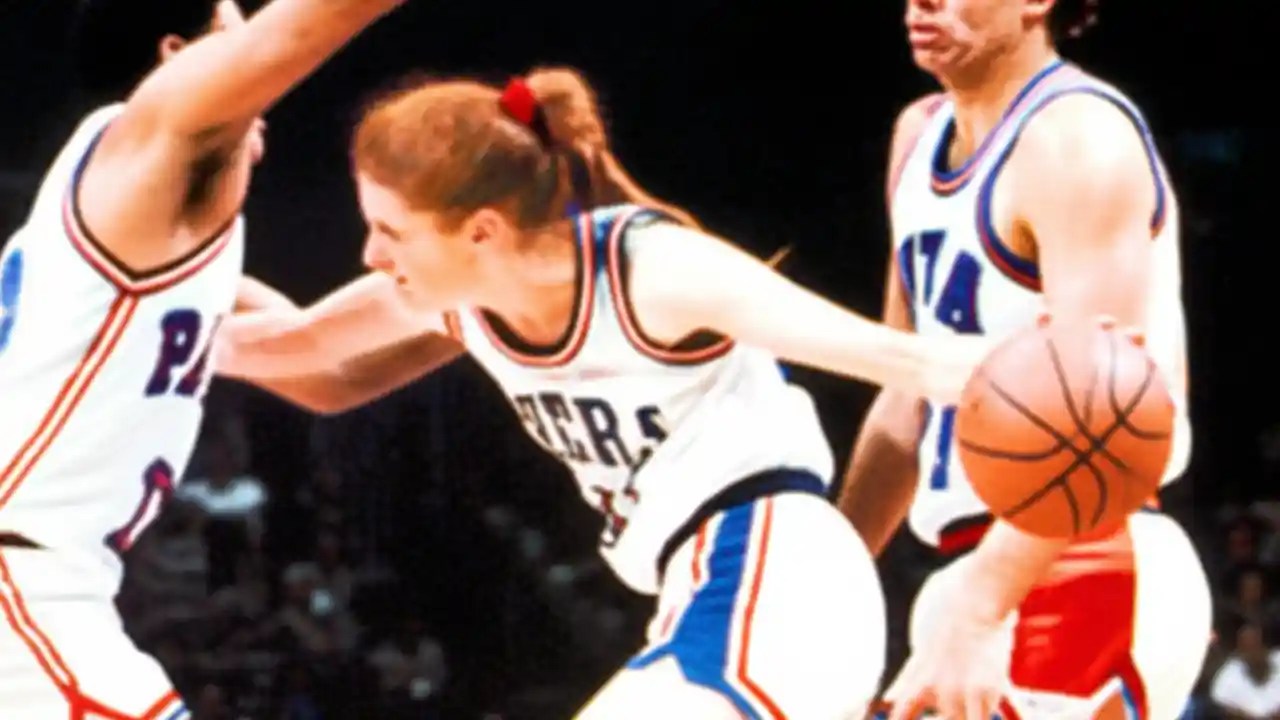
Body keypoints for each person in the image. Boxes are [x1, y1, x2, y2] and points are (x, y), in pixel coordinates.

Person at [213, 68, 994, 718]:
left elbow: (904, 361)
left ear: (481, 231)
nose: (371, 254)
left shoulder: (654, 272)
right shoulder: (458, 300)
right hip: (705, 597)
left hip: (776, 580)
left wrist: (1052, 357)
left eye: (391, 230)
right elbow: (294, 344)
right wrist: (147, 294)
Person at [0, 0, 404, 715]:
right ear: (177, 57)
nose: (257, 51)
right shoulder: (140, 139)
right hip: (23, 578)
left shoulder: (151, 239)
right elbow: (308, 26)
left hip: (49, 581)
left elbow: (327, 372)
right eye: (236, 26)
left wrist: (483, 298)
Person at [836, 1, 1212, 719]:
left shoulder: (1077, 136)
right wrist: (828, 582)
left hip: (1086, 552)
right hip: (972, 570)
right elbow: (904, 395)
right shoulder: (916, 136)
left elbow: (1101, 412)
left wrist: (983, 606)